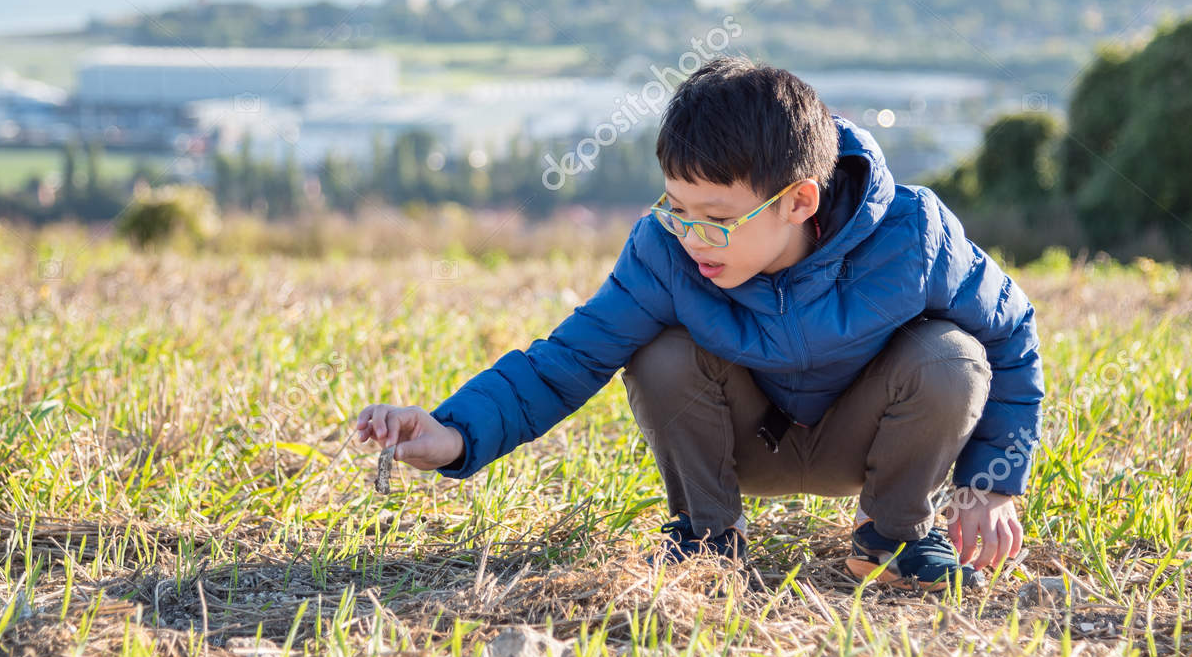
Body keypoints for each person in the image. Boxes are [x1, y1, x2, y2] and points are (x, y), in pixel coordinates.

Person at [355, 56, 1044, 591]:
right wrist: (454, 433)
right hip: (739, 445)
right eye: (676, 206)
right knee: (661, 354)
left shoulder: (913, 234)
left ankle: (892, 539)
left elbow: (1010, 333)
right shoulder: (663, 249)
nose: (693, 235)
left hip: (872, 439)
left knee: (952, 355)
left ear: (799, 200)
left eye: (718, 218)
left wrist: (991, 482)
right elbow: (564, 361)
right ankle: (708, 538)